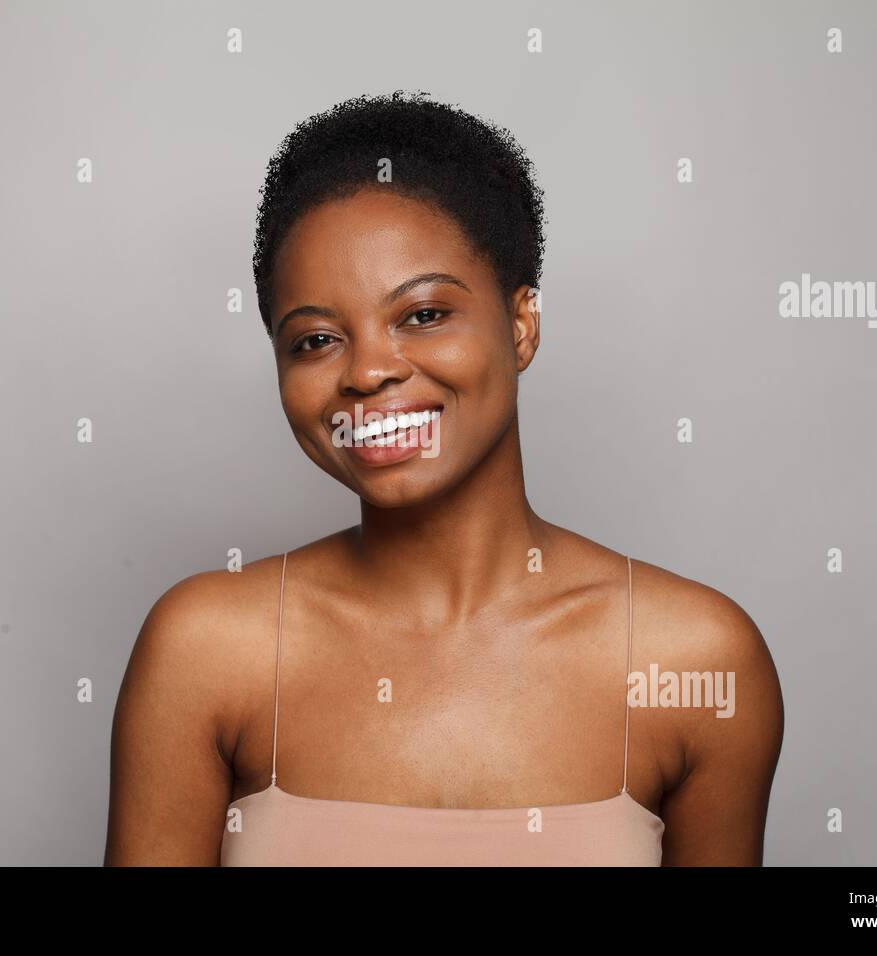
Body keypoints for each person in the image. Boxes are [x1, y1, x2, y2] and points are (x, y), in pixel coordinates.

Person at [104, 91, 784, 866]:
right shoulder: (208, 649)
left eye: (423, 315)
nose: (367, 371)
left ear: (522, 324)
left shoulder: (691, 658)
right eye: (317, 339)